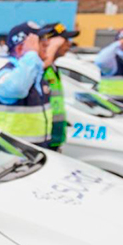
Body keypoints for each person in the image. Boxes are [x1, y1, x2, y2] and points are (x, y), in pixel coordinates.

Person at [0, 21, 60, 149]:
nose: (47, 43)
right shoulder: (6, 75)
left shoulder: (34, 75)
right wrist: (31, 53)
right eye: (40, 42)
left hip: (33, 156)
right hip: (10, 157)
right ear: (20, 48)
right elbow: (18, 88)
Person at [39, 22, 79, 150]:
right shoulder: (40, 67)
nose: (68, 44)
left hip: (54, 138)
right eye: (64, 40)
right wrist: (50, 48)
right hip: (41, 138)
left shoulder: (53, 68)